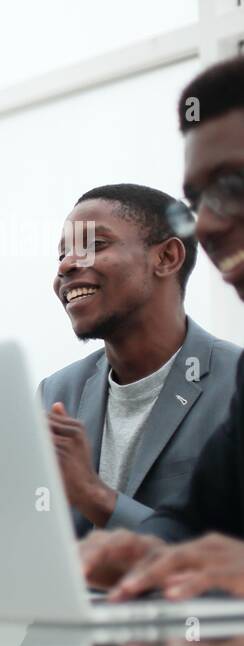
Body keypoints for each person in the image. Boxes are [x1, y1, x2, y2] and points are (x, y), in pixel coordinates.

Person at [80, 56, 244, 601]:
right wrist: (143, 554)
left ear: (167, 259)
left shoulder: (225, 376)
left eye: (233, 185)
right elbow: (193, 521)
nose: (210, 225)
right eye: (196, 203)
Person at [40, 183, 238, 537]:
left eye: (94, 245)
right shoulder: (57, 392)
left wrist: (94, 494)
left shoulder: (234, 383)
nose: (68, 265)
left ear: (166, 258)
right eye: (62, 255)